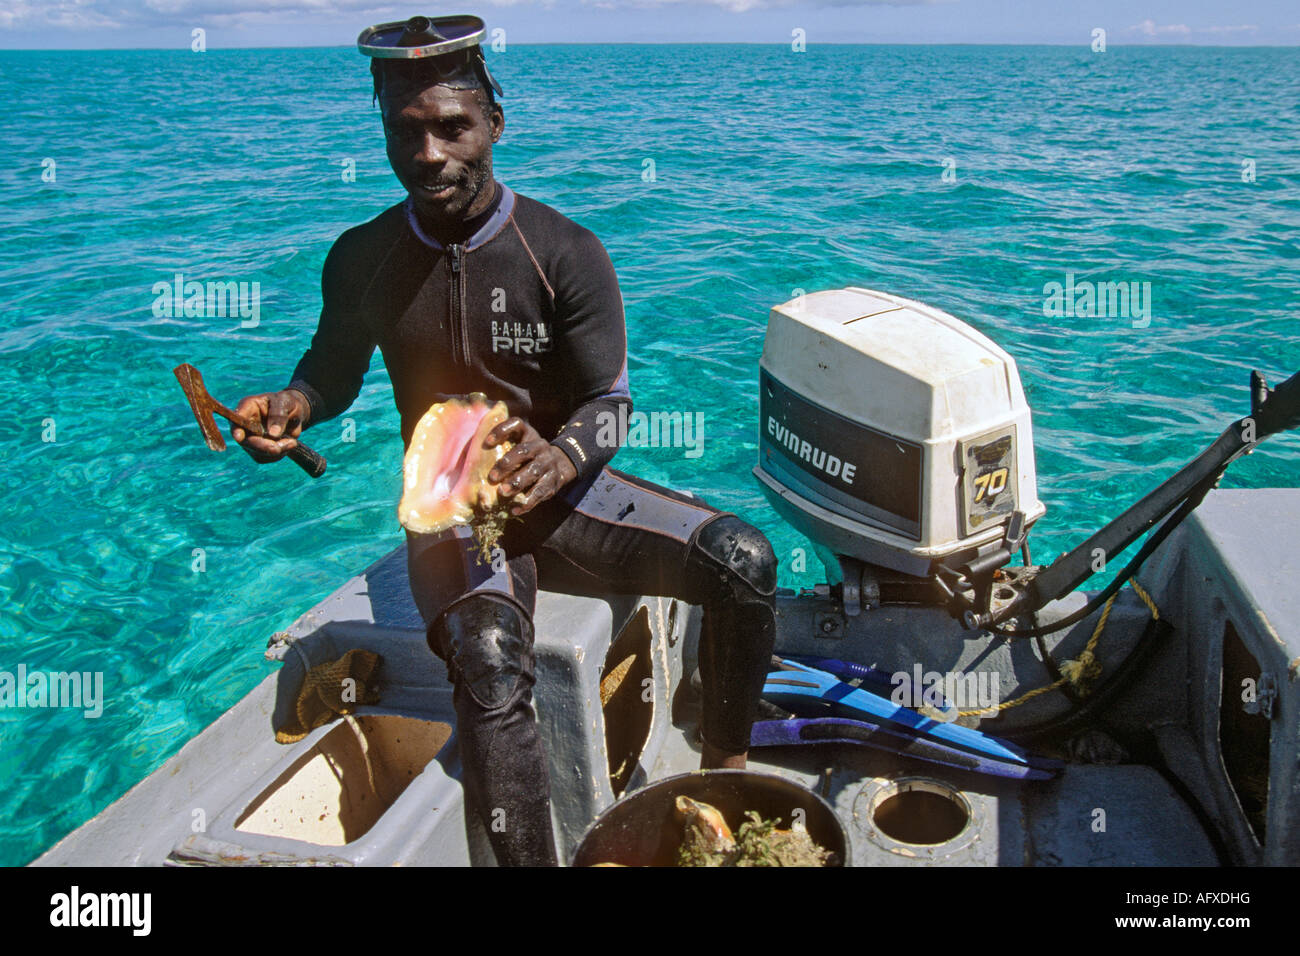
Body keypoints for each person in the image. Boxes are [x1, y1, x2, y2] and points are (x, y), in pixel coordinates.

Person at [231, 15, 776, 867]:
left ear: (494, 126)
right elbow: (327, 376)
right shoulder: (363, 258)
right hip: (453, 516)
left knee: (743, 563)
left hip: (568, 496)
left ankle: (722, 786)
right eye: (405, 132)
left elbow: (609, 401)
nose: (430, 153)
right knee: (490, 659)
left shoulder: (563, 251)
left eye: (454, 126)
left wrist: (561, 456)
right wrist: (293, 406)